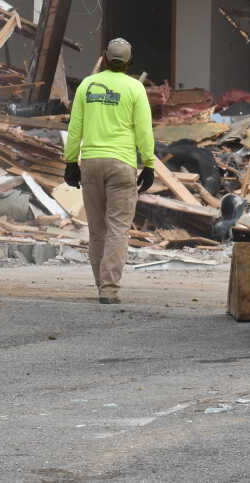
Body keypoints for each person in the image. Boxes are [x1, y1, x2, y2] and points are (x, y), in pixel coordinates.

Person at [63, 37, 155, 304]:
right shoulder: (135, 88)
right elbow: (143, 130)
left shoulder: (87, 86)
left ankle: (99, 283)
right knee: (118, 228)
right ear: (129, 61)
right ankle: (109, 288)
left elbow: (75, 126)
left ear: (103, 56)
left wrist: (70, 161)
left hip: (90, 162)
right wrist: (148, 164)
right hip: (122, 164)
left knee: (97, 229)